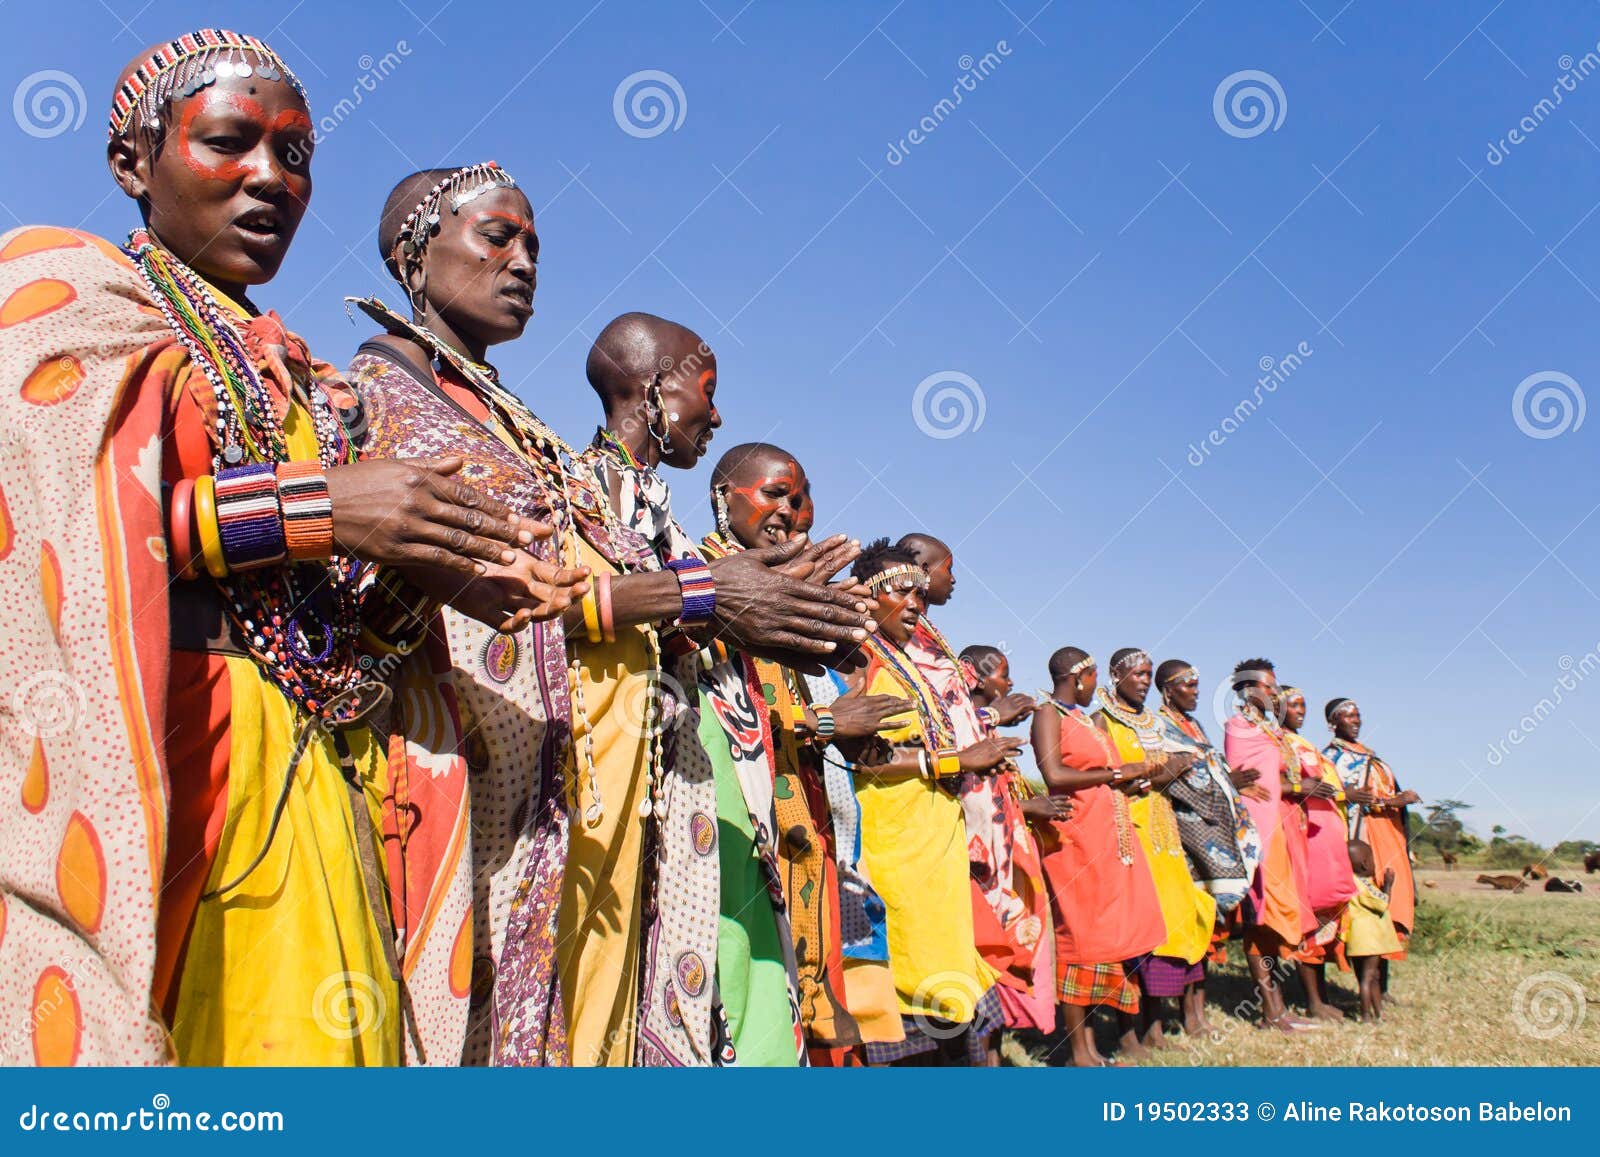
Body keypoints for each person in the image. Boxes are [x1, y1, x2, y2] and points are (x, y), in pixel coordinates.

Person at [0, 31, 581, 1066]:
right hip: (161, 765)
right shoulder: (65, 297)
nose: (271, 176)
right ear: (133, 162)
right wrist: (319, 508)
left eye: (297, 154)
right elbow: (65, 534)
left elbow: (337, 626)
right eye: (231, 141)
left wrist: (440, 573)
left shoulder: (308, 382)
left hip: (316, 769)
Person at [571, 312, 872, 1065]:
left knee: (742, 984)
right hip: (632, 789)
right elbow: (566, 614)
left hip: (719, 794)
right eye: (707, 391)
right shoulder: (579, 492)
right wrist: (715, 602)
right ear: (654, 390)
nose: (717, 413)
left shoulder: (662, 521)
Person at [702, 441, 907, 1064]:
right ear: (723, 499)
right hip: (732, 823)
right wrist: (825, 723)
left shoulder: (798, 591)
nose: (790, 511)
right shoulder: (701, 580)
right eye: (773, 494)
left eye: (799, 498)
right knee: (740, 984)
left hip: (803, 818)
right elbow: (706, 706)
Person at [836, 541, 1017, 1064]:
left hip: (934, 839)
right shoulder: (857, 659)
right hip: (893, 846)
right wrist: (953, 761)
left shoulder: (903, 660)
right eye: (902, 591)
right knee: (909, 978)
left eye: (920, 592)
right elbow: (852, 756)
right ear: (868, 595)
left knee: (944, 970)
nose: (916, 603)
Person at [897, 532, 1037, 1064]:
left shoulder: (930, 638)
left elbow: (949, 717)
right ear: (919, 568)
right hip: (927, 808)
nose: (953, 579)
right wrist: (991, 720)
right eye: (947, 568)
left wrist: (987, 725)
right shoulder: (897, 640)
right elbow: (920, 724)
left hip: (965, 804)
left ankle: (979, 1056)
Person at [1030, 648, 1165, 1066]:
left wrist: (1134, 779)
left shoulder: (1087, 721)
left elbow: (1101, 777)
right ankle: (1078, 1053)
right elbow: (1054, 774)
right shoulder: (1048, 714)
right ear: (1080, 676)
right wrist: (1118, 774)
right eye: (1092, 678)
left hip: (1108, 836)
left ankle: (1095, 1047)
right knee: (1080, 938)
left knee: (1109, 935)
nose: (1096, 687)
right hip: (1076, 839)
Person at [1094, 649, 1211, 1051]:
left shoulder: (1155, 723)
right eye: (1138, 674)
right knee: (1137, 927)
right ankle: (1133, 1032)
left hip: (1165, 835)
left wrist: (1160, 773)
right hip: (1128, 832)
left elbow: (1178, 767)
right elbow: (1103, 779)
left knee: (1171, 922)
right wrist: (1159, 772)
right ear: (1116, 675)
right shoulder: (1102, 721)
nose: (1144, 681)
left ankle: (1156, 1025)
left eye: (1148, 674)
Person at [963, 644, 1064, 1043]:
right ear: (977, 678)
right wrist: (1030, 806)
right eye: (1003, 675)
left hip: (1008, 863)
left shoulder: (988, 734)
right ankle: (984, 1053)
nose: (1010, 683)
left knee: (1012, 948)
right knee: (987, 951)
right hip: (980, 867)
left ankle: (993, 1050)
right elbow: (968, 798)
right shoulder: (962, 729)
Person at [1154, 659, 1258, 1033]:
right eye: (1188, 685)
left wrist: (1229, 781)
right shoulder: (1159, 727)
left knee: (1206, 921)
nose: (1196, 691)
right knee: (1188, 920)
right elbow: (1169, 774)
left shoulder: (1194, 725)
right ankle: (1185, 1014)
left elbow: (1209, 770)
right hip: (1182, 833)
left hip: (1211, 832)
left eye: (1197, 684)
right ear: (1168, 691)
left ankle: (1198, 1013)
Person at [1224, 660, 1323, 1033]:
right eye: (1268, 687)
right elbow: (1240, 779)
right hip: (1259, 831)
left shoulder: (1269, 729)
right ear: (1249, 689)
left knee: (1271, 922)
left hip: (1282, 828)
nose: (1274, 693)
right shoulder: (1239, 726)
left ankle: (1277, 1008)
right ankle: (1270, 1010)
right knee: (1260, 919)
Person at [1325, 698, 1419, 1002]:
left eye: (1358, 715)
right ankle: (1368, 987)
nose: (1355, 721)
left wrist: (1399, 800)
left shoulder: (1370, 755)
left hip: (1387, 835)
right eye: (1347, 716)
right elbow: (1340, 799)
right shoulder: (1331, 758)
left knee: (1389, 909)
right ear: (1332, 723)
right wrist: (1389, 802)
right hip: (1361, 839)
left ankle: (1383, 987)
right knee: (1364, 910)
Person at [1280, 686, 1356, 1021]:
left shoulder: (1304, 744)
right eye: (1293, 705)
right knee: (1310, 912)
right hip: (1305, 834)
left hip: (1327, 836)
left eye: (1303, 705)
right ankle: (1313, 1000)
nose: (1301, 711)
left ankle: (1321, 997)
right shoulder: (1279, 744)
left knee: (1327, 913)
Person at [1343, 840, 1400, 1021]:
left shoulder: (1348, 882)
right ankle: (1366, 1015)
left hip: (1356, 939)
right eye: (1372, 859)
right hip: (1369, 940)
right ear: (1365, 864)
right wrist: (1388, 885)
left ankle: (1378, 1013)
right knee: (1369, 977)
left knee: (1370, 975)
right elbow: (1382, 903)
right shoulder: (1365, 885)